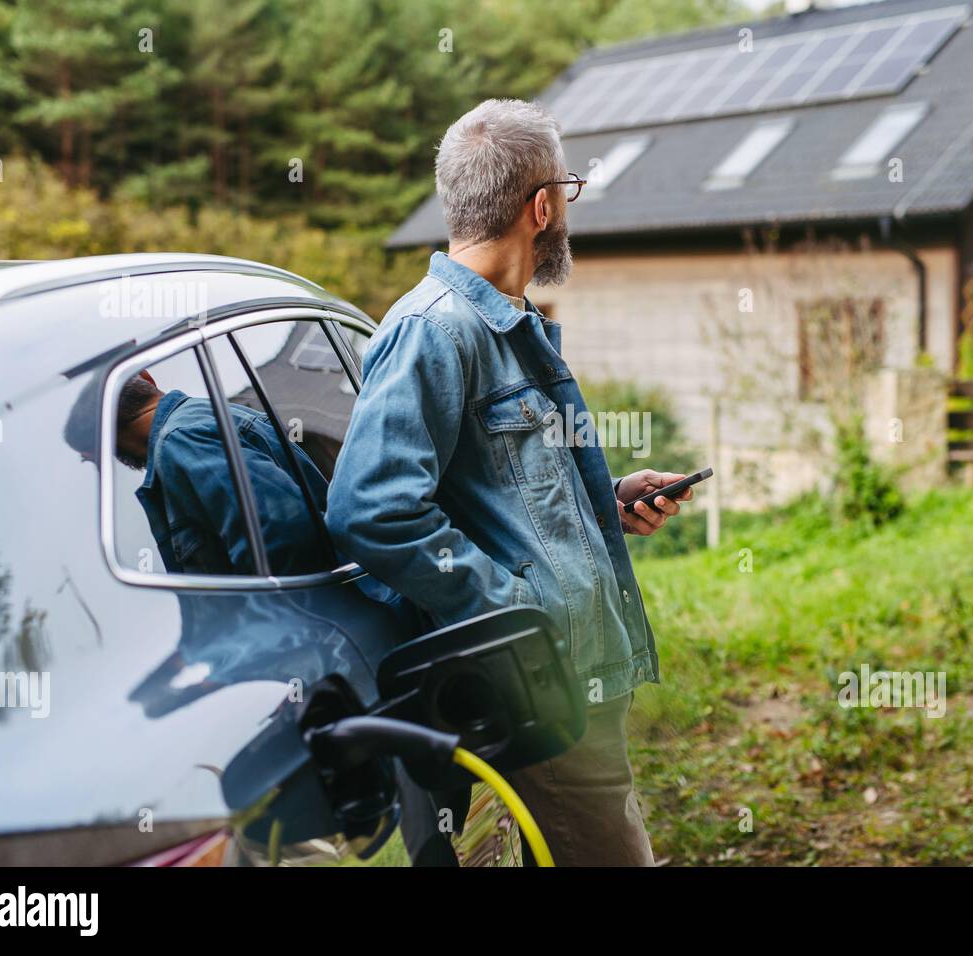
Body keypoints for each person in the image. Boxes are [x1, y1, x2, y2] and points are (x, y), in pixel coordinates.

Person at [326, 98, 693, 866]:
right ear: (543, 205)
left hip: (579, 675)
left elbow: (504, 489)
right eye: (569, 192)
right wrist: (516, 609)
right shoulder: (434, 331)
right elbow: (372, 510)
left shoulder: (511, 324)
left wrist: (609, 500)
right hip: (539, 677)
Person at [65, 370, 332, 576]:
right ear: (148, 377)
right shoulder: (205, 419)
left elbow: (285, 542)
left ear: (95, 449)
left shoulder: (182, 443)